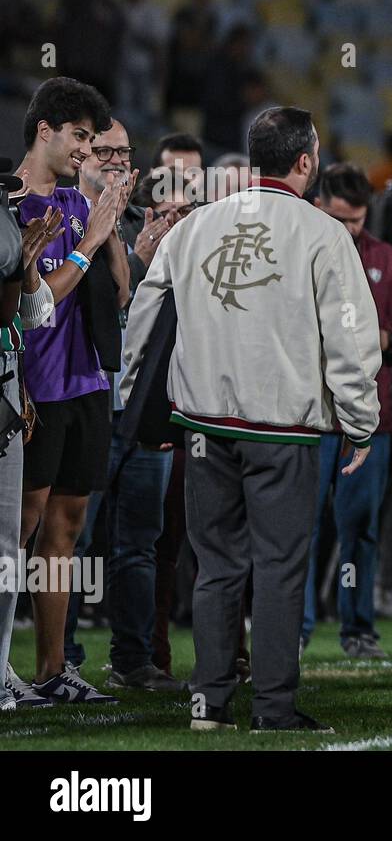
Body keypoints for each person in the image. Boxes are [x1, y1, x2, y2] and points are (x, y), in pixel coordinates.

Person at [122, 105, 380, 732]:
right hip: (283, 432)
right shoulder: (323, 234)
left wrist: (130, 393)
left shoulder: (192, 227)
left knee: (215, 568)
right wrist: (360, 420)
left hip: (205, 427)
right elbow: (351, 340)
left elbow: (144, 315)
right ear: (304, 162)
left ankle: (207, 704)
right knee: (279, 569)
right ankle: (273, 708)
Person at [13, 78, 129, 705]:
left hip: (86, 383)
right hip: (33, 389)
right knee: (18, 529)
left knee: (67, 526)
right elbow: (37, 307)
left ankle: (53, 671)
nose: (87, 149)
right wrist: (87, 244)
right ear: (45, 131)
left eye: (93, 138)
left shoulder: (78, 203)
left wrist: (112, 231)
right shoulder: (11, 206)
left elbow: (118, 295)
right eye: (80, 136)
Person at [61, 121, 187, 693]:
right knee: (70, 540)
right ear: (81, 155)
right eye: (103, 151)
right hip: (80, 403)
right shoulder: (60, 222)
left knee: (138, 542)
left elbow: (161, 322)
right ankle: (57, 660)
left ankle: (134, 661)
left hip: (137, 410)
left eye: (123, 153)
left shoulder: (151, 227)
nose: (114, 162)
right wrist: (131, 263)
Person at [301, 163, 392, 659]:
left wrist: (385, 339)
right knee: (299, 530)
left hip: (370, 423)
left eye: (356, 220)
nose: (348, 230)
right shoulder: (301, 255)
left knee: (360, 529)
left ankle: (358, 630)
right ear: (316, 207)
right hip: (308, 417)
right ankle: (296, 626)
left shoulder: (388, 263)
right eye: (338, 218)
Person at [1, 163, 61, 709]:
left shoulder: (10, 230)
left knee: (4, 545)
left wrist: (29, 269)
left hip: (6, 395)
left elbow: (35, 314)